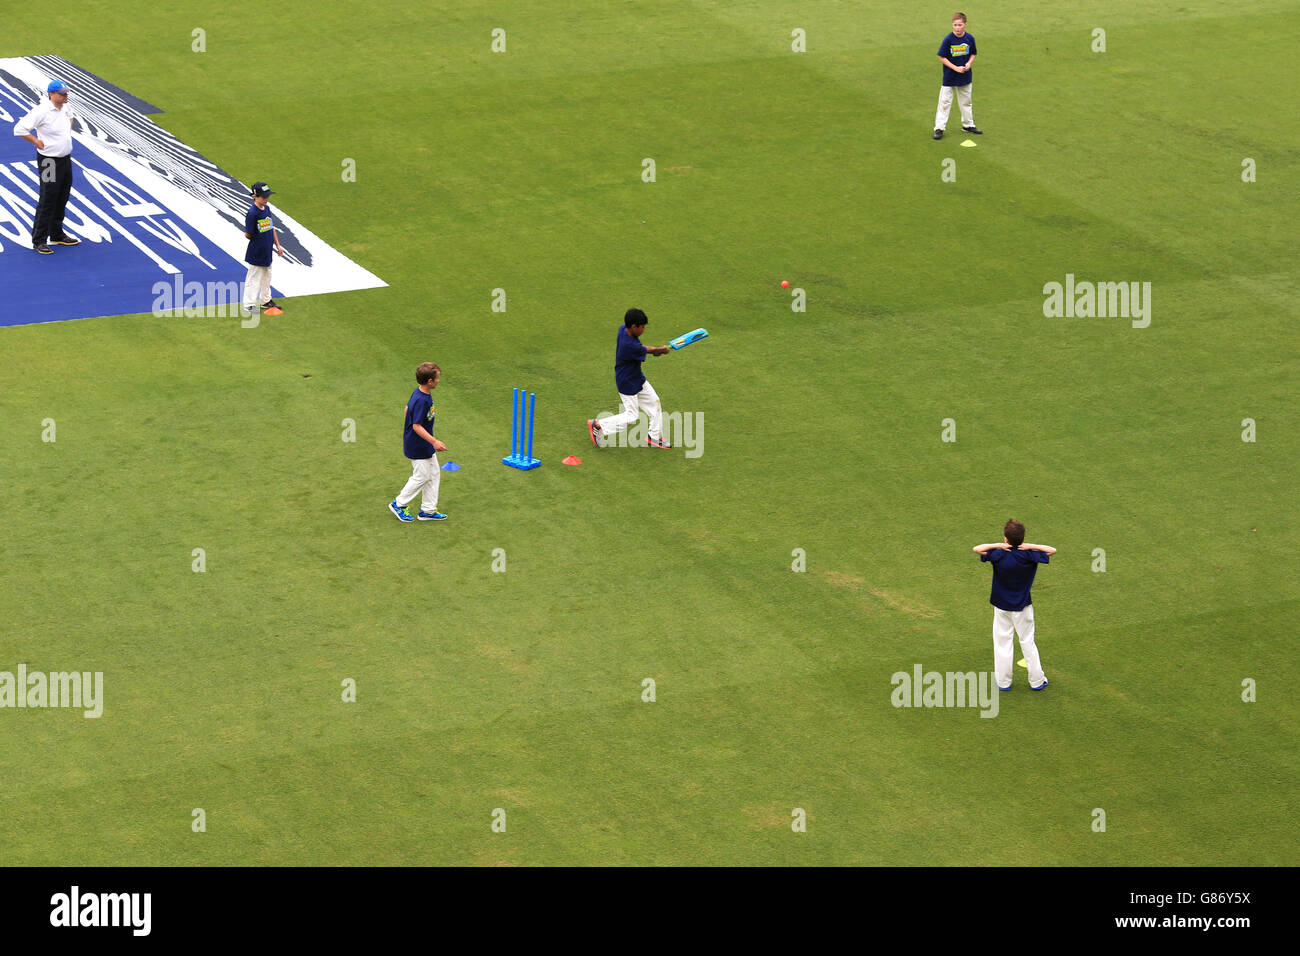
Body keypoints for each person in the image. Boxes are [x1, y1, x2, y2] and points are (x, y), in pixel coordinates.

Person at [972, 520, 1055, 691]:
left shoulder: (998, 554)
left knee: (1003, 643)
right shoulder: (1029, 555)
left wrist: (999, 545)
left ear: (1006, 538)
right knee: (1028, 642)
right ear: (1022, 539)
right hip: (1023, 607)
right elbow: (1051, 551)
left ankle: (1003, 682)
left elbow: (977, 549)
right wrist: (1030, 545)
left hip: (1001, 606)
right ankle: (1037, 681)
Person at [587, 308, 672, 449]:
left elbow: (644, 349)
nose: (644, 329)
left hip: (637, 378)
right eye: (642, 327)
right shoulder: (630, 345)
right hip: (626, 382)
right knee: (632, 417)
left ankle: (654, 437)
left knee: (655, 403)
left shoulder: (623, 329)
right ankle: (598, 425)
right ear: (633, 326)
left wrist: (657, 352)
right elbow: (645, 350)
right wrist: (660, 350)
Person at [13, 79, 80, 255]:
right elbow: (19, 129)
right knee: (48, 198)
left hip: (65, 159)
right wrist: (36, 141)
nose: (66, 96)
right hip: (49, 161)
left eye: (66, 93)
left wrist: (65, 134)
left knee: (62, 196)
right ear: (52, 94)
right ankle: (39, 240)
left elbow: (71, 116)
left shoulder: (65, 107)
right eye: (62, 94)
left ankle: (56, 233)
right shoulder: (42, 111)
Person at [389, 362, 447, 522]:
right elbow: (416, 426)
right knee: (421, 476)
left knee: (434, 473)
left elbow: (407, 409)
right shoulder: (422, 400)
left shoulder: (419, 393)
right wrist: (434, 441)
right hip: (418, 445)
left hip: (422, 443)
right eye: (437, 378)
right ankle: (398, 504)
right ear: (430, 381)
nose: (439, 381)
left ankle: (428, 510)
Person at [933, 13, 982, 140]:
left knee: (966, 102)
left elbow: (973, 54)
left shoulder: (970, 38)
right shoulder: (948, 39)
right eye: (955, 25)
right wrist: (955, 68)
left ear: (965, 25)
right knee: (944, 102)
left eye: (960, 25)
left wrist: (969, 64)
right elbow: (941, 57)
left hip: (965, 76)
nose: (957, 28)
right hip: (950, 77)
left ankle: (968, 125)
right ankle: (939, 128)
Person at [242, 182, 285, 317]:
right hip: (257, 252)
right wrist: (260, 241)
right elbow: (248, 234)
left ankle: (265, 301)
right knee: (254, 278)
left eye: (267, 196)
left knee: (267, 277)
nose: (266, 199)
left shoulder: (266, 209)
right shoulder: (252, 213)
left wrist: (277, 245)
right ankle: (248, 305)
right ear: (255, 196)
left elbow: (271, 228)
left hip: (267, 251)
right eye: (264, 197)